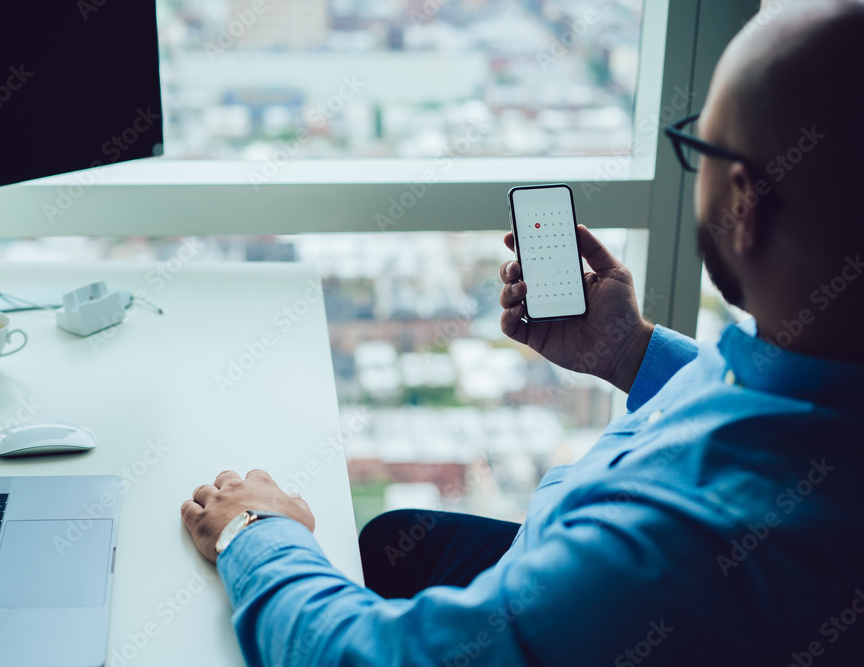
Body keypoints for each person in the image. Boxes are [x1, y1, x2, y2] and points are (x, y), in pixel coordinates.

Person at [179, 3, 864, 664]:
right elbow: (777, 396)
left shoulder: (676, 546)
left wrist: (255, 533)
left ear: (744, 202)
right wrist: (633, 351)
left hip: (594, 590)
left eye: (697, 145)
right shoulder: (816, 361)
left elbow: (371, 658)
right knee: (393, 542)